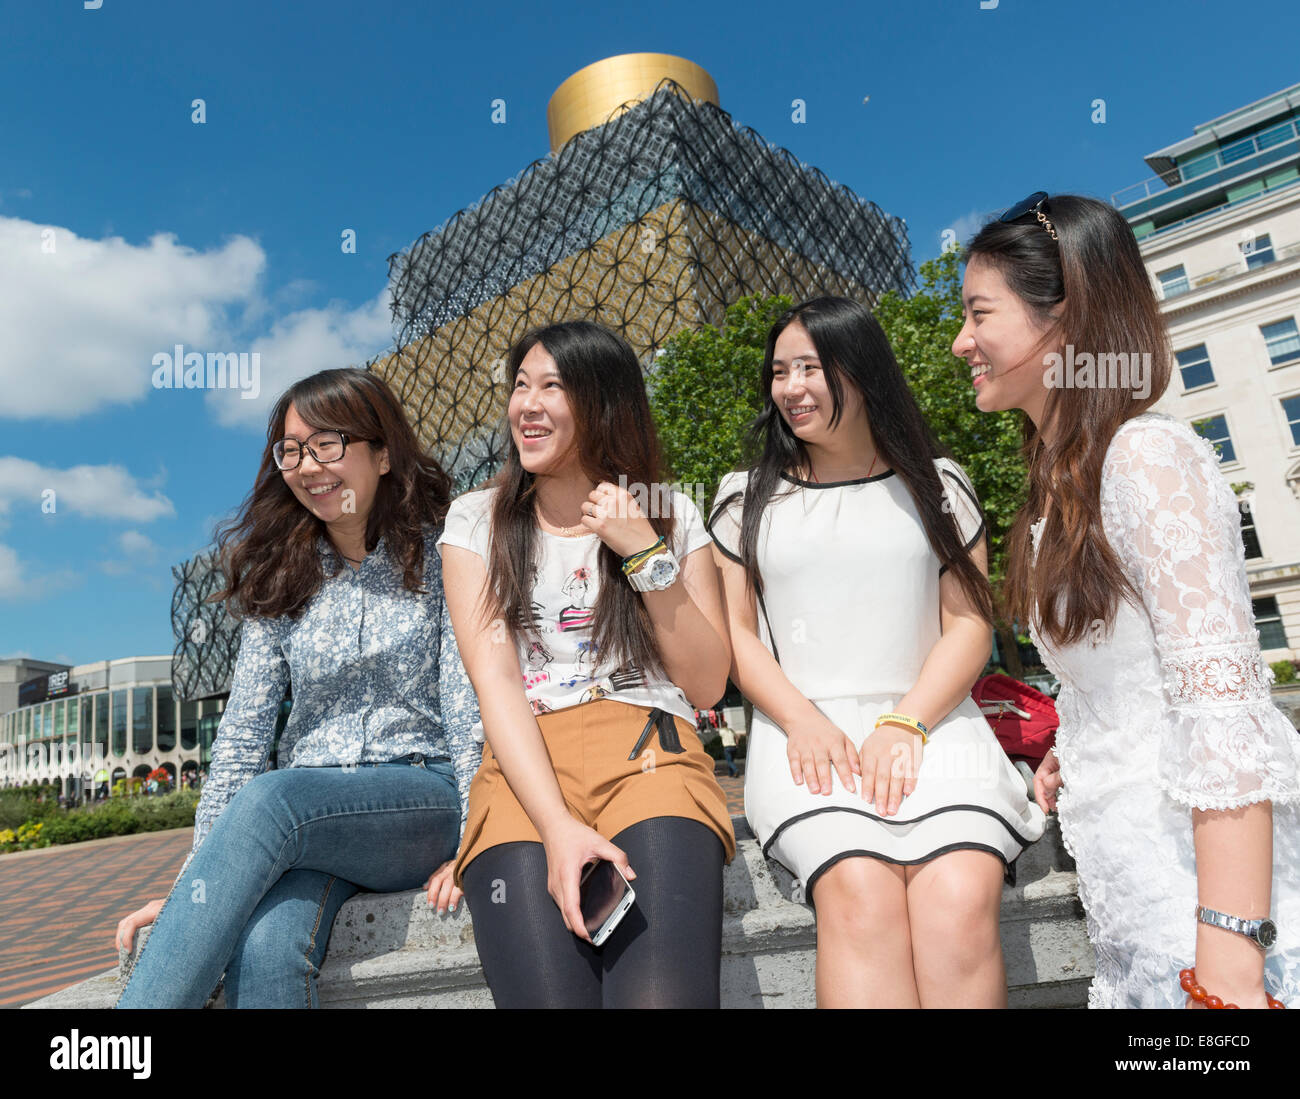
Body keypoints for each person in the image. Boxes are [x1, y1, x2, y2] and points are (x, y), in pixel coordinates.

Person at [955, 191, 1299, 1009]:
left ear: (1064, 318)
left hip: (1205, 928)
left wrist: (1228, 969)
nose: (961, 341)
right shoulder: (1061, 491)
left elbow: (1225, 716)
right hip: (1140, 914)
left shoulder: (1146, 458)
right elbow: (1133, 679)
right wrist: (1079, 740)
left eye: (979, 313)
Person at [709, 296, 1045, 1008]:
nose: (791, 386)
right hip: (805, 734)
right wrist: (801, 719)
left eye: (810, 367)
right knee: (860, 894)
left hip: (936, 725)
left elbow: (967, 626)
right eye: (779, 371)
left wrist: (907, 722)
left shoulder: (941, 484)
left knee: (958, 898)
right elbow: (737, 636)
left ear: (861, 372)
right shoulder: (745, 498)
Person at [114, 367, 481, 1009]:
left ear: (383, 452)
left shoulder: (447, 555)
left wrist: (483, 835)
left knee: (272, 797)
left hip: (420, 796)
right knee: (266, 950)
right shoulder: (280, 577)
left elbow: (468, 704)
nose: (308, 465)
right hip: (311, 821)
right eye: (291, 450)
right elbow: (243, 735)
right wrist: (196, 888)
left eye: (327, 443)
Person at [434, 320, 736, 1008]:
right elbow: (496, 682)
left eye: (553, 387)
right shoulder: (475, 521)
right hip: (521, 771)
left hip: (649, 759)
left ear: (604, 403)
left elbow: (707, 680)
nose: (526, 405)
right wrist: (557, 827)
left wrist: (641, 552)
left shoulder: (671, 513)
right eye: (519, 386)